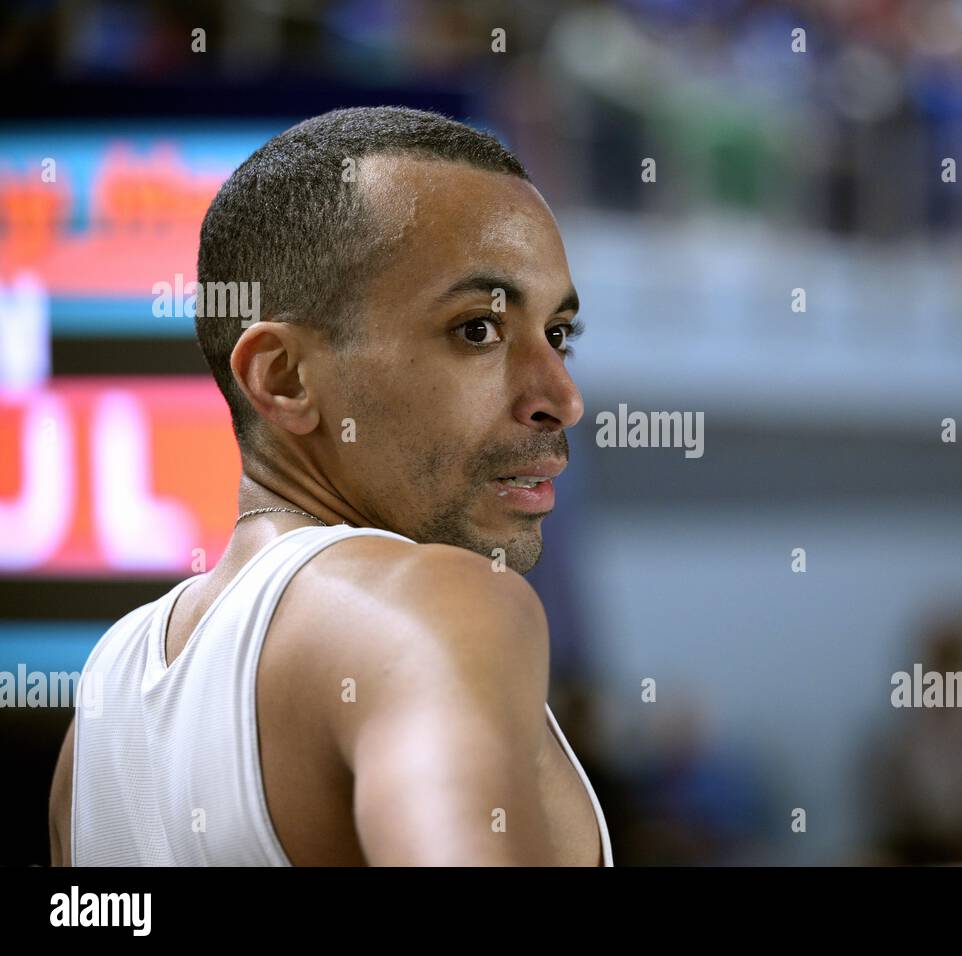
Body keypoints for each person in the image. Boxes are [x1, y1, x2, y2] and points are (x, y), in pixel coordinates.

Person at [46, 106, 612, 866]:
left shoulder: (100, 715)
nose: (561, 397)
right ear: (283, 378)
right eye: (478, 328)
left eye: (559, 335)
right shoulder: (438, 604)